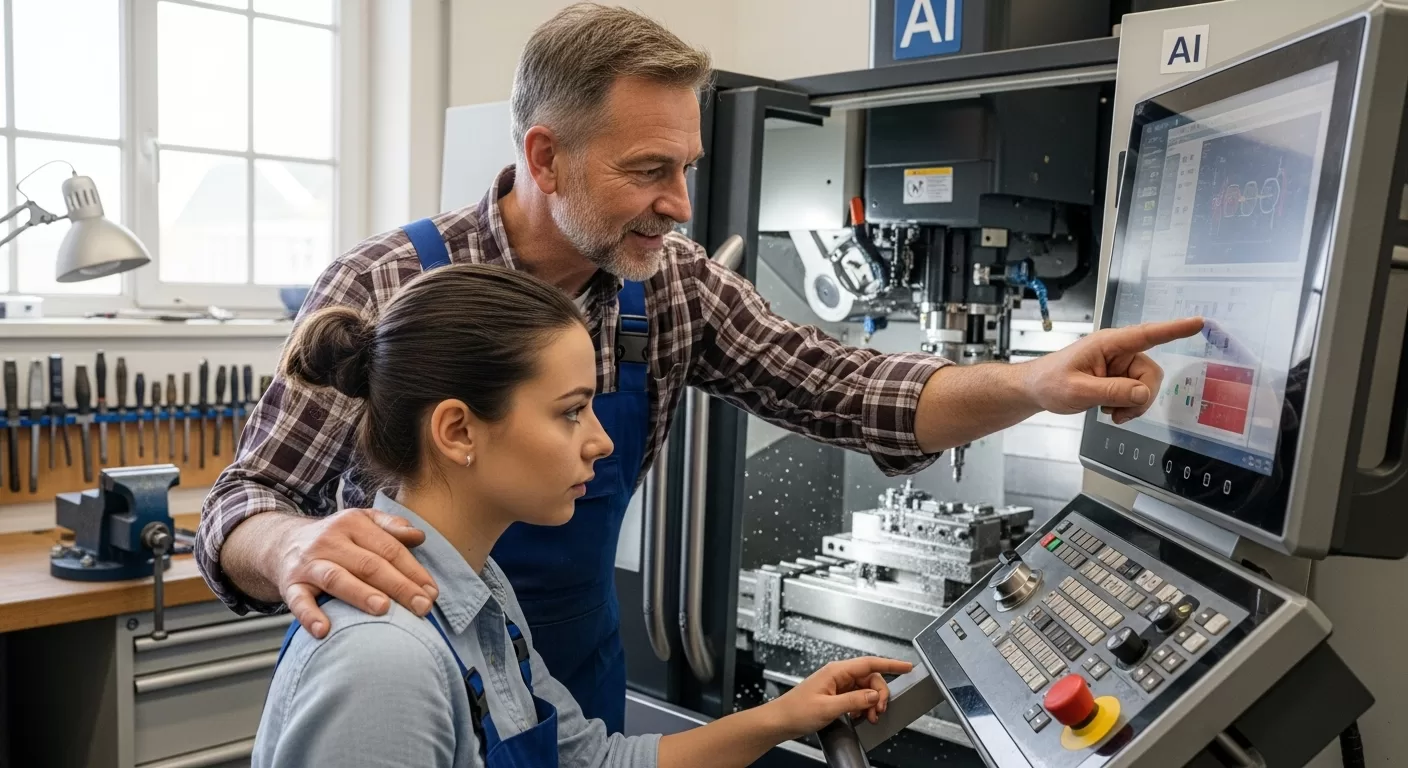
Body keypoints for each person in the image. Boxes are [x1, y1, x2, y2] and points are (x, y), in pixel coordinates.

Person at [199, 2, 1204, 734]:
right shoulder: (387, 282)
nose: (680, 205)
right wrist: (291, 547)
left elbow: (846, 389)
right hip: (403, 676)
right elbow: (243, 503)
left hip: (565, 686)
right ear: (545, 158)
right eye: (648, 171)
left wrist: (1036, 385)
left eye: (686, 168)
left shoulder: (671, 286)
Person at [252, 262, 913, 768]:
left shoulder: (481, 592)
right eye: (571, 412)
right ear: (458, 431)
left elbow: (592, 761)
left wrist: (786, 716)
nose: (601, 441)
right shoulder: (384, 663)